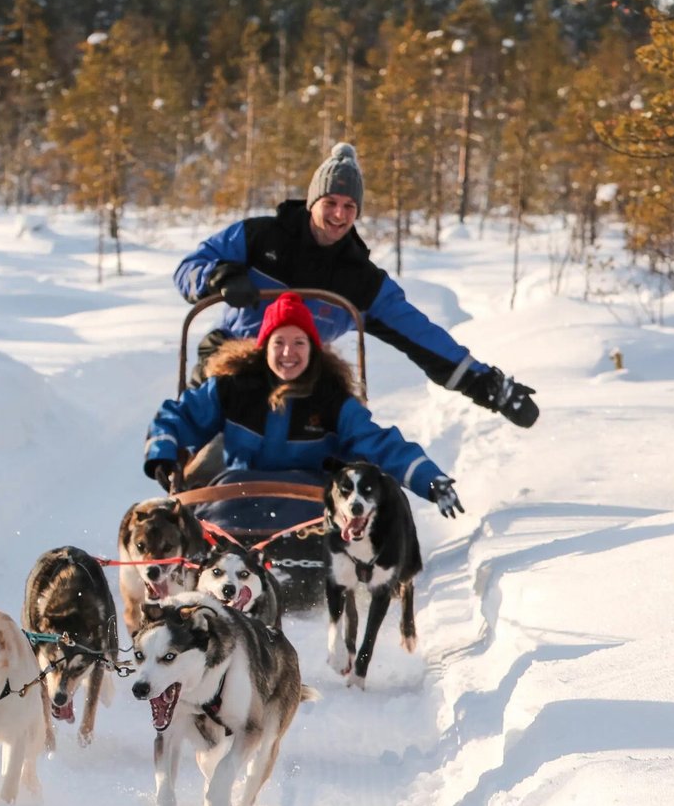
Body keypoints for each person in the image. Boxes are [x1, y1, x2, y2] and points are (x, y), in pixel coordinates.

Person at [174, 142, 538, 428]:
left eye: (350, 206)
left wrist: (489, 386)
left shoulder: (359, 279)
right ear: (313, 200)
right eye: (330, 202)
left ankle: (329, 500)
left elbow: (422, 336)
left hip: (303, 369)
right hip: (234, 354)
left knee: (337, 420)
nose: (338, 215)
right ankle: (191, 480)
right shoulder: (259, 237)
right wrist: (218, 277)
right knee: (208, 406)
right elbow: (189, 267)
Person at [143, 292, 464, 530]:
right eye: (279, 342)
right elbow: (177, 415)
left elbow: (380, 445)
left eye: (299, 343)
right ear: (264, 347)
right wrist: (162, 452)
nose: (288, 353)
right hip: (235, 499)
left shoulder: (331, 399)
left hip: (310, 506)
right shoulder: (232, 388)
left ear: (312, 349)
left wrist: (429, 480)